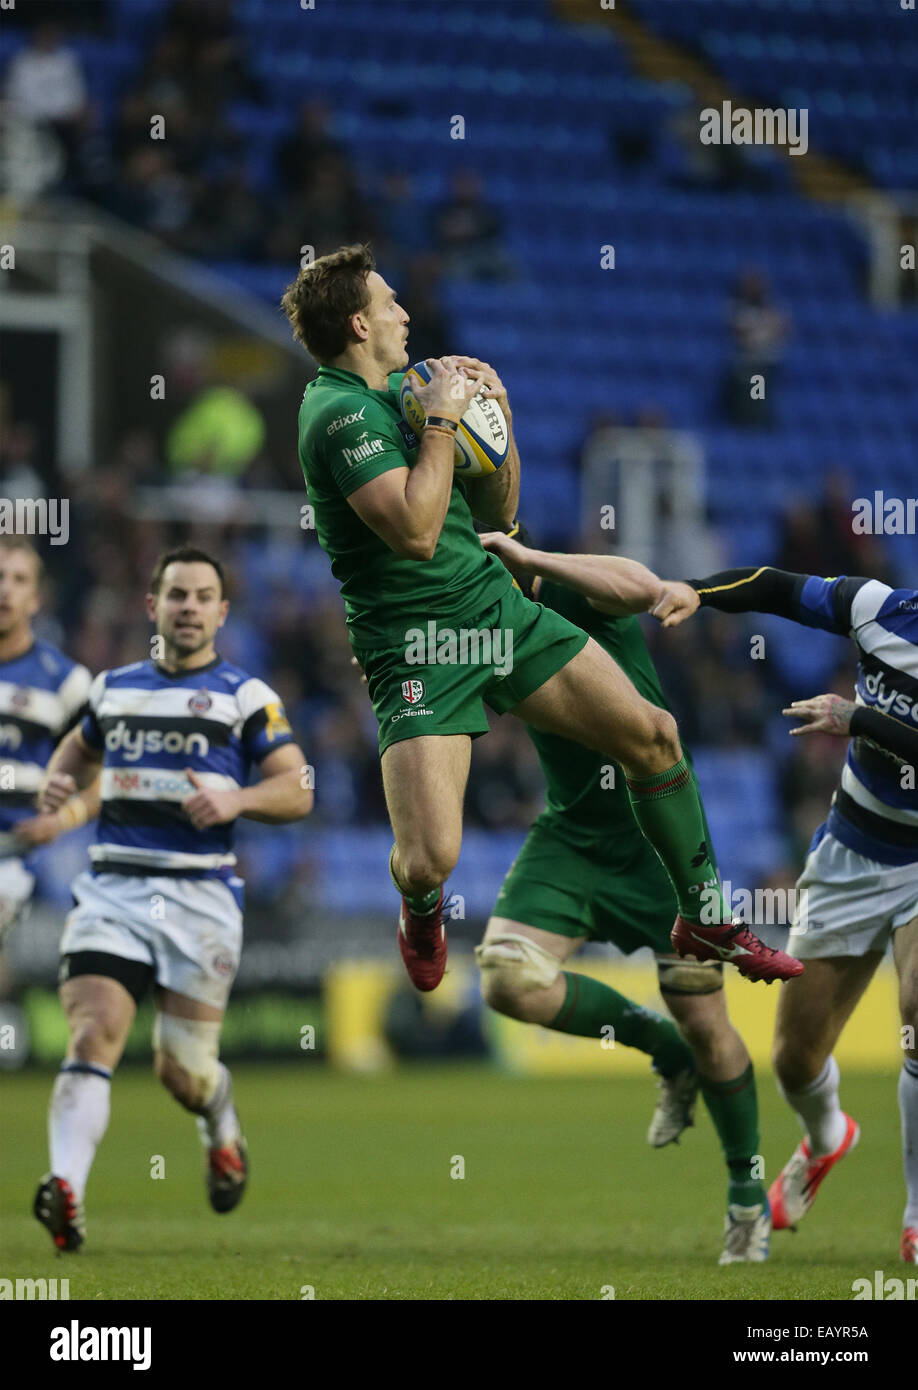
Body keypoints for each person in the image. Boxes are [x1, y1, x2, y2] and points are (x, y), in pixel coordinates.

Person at [280, 243, 801, 998]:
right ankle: (418, 907)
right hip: (418, 646)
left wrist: (497, 425)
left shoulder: (410, 389)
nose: (406, 312)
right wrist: (439, 426)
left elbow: (502, 514)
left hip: (496, 610)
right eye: (391, 302)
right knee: (431, 858)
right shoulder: (334, 413)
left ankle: (707, 916)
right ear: (359, 324)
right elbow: (416, 533)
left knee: (654, 735)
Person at [475, 526, 771, 1263]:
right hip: (572, 836)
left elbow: (644, 589)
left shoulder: (557, 585)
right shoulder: (472, 631)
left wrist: (534, 559)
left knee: (710, 1026)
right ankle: (658, 1046)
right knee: (509, 979)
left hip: (656, 839)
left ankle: (746, 1195)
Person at [33, 546, 312, 1252]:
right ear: (150, 606)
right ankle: (66, 1189)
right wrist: (58, 785)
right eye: (176, 594)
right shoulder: (113, 687)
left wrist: (237, 797)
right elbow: (75, 750)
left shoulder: (246, 696)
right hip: (114, 890)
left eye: (202, 596)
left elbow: (298, 787)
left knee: (181, 1072)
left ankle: (219, 1121)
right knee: (93, 1032)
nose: (188, 606)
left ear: (223, 611)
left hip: (200, 901)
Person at [652, 565, 918, 1265]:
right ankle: (828, 1136)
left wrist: (854, 717)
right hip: (853, 854)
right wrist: (695, 593)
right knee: (795, 1060)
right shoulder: (876, 610)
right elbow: (774, 586)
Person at [0, 538, 94, 970]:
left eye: (19, 580)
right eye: (0, 578)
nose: (6, 590)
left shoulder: (66, 681)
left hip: (12, 856)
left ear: (36, 599)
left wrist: (63, 819)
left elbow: (111, 770)